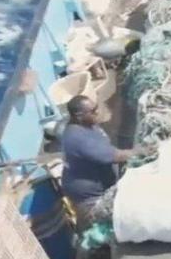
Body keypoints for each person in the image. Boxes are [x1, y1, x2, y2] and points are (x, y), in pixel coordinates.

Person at [61, 95, 149, 230]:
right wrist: (139, 151)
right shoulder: (77, 138)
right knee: (94, 230)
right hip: (89, 199)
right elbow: (114, 156)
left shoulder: (89, 124)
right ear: (78, 116)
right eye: (92, 111)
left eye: (96, 107)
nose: (97, 112)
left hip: (101, 184)